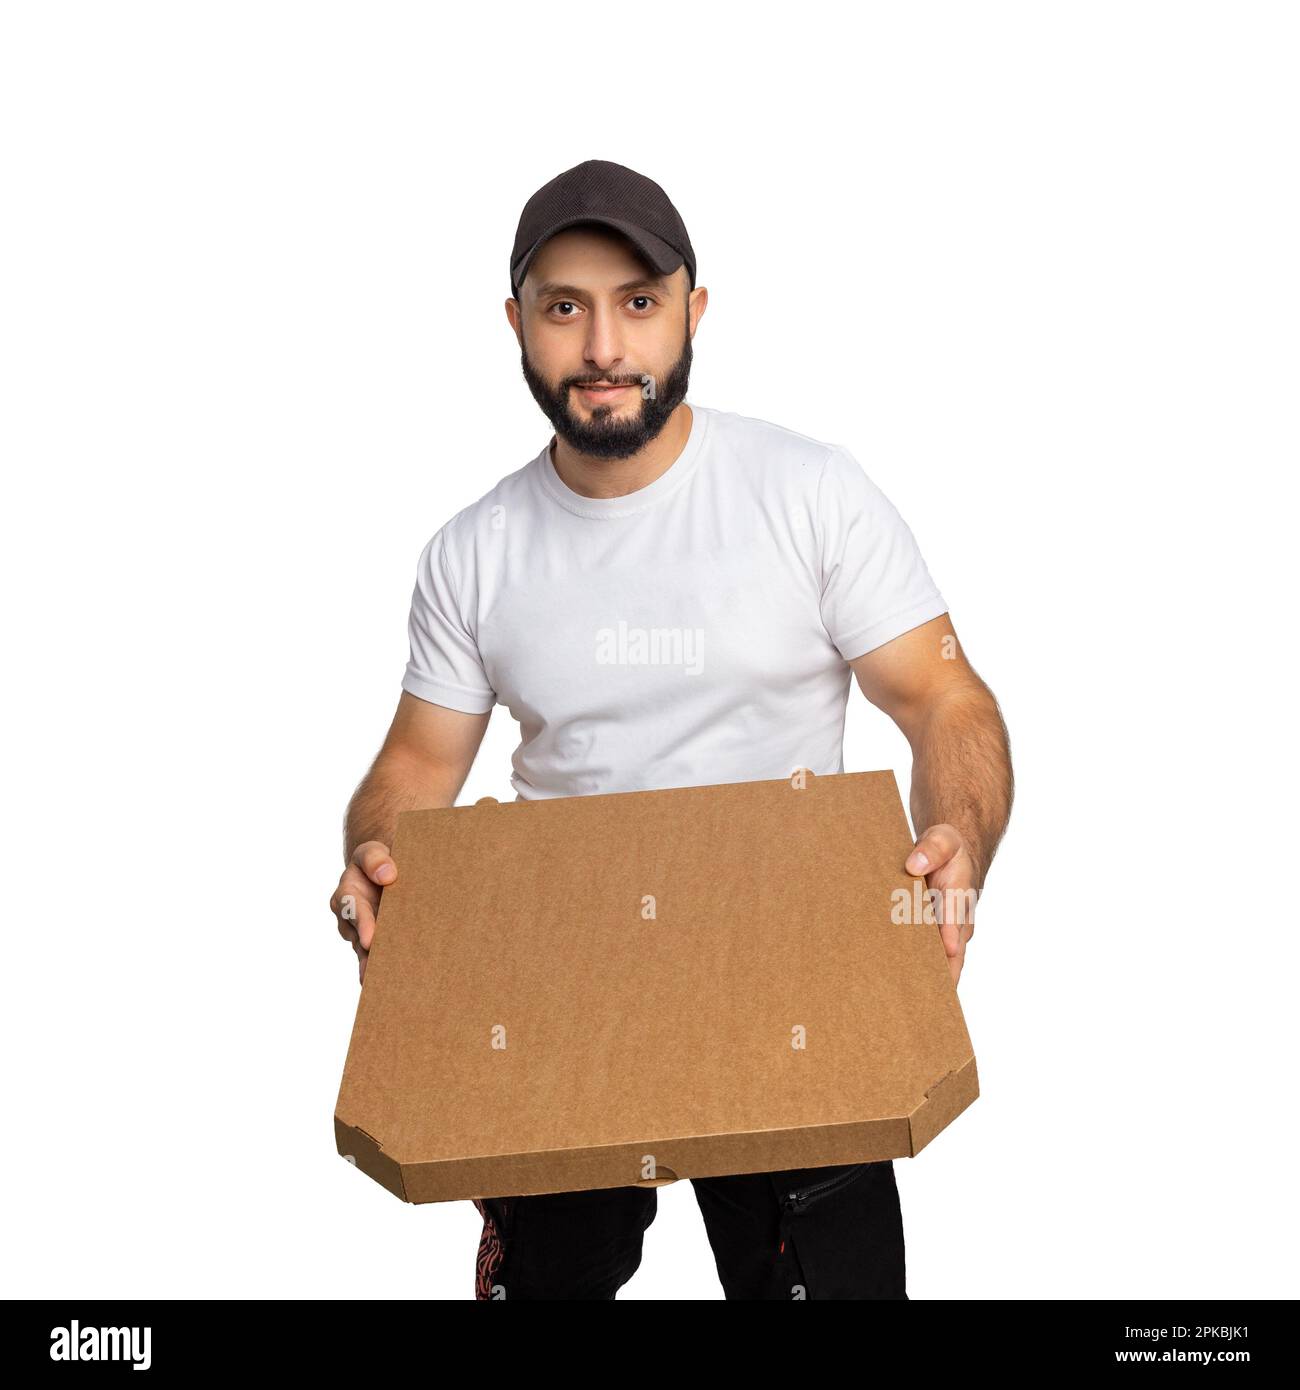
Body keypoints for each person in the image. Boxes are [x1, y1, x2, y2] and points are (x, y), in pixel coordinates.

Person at [330, 159, 1014, 1300]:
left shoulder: (809, 494)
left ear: (694, 310)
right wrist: (379, 854)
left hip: (797, 957)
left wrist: (958, 837)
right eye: (564, 307)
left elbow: (948, 698)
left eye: (638, 302)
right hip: (557, 974)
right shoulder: (473, 551)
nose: (602, 345)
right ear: (517, 323)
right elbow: (412, 764)